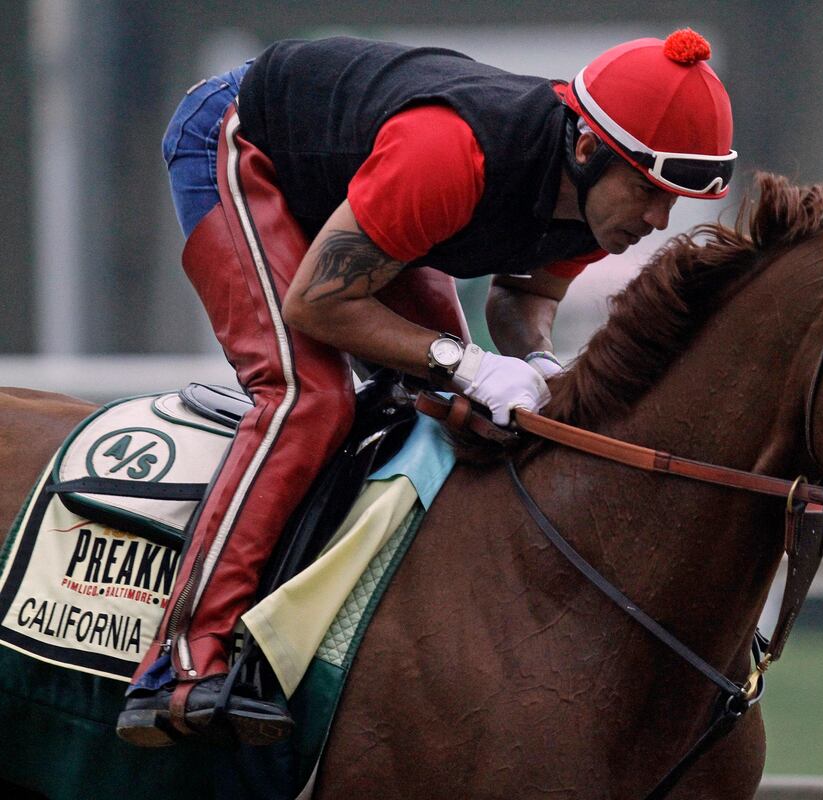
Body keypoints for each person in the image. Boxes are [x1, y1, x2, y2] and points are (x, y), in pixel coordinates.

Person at [116, 28, 736, 747]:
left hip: (369, 186)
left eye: (675, 201)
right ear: (590, 149)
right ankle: (181, 663)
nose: (657, 222)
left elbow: (520, 298)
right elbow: (315, 305)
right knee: (308, 398)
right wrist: (467, 360)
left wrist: (536, 363)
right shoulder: (454, 153)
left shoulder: (604, 197)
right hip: (245, 140)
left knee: (459, 412)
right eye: (648, 192)